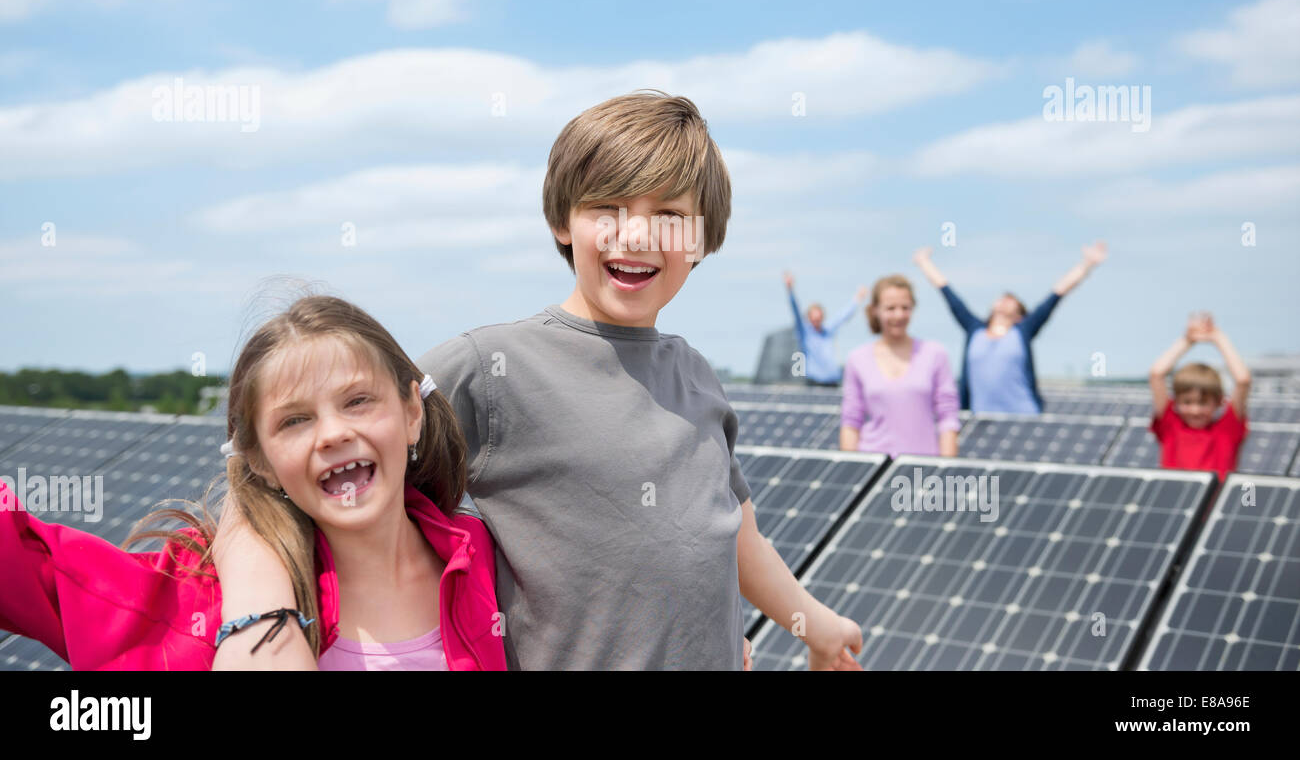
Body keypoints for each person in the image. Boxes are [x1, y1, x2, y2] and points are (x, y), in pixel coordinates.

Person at [212, 90, 862, 670]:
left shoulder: (697, 376)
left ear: (701, 238)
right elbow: (297, 455)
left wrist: (819, 625)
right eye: (606, 206)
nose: (635, 233)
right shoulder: (492, 366)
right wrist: (259, 618)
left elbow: (738, 538)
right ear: (562, 221)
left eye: (668, 214)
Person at [0, 295, 506, 670]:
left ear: (412, 412)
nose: (333, 434)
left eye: (357, 401)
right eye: (294, 421)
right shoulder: (195, 593)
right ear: (259, 461)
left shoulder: (495, 561)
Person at [912, 242, 1107, 414]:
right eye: (1002, 298)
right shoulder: (975, 329)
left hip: (1024, 415)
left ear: (1019, 314)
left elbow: (1057, 293)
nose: (1004, 301)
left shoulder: (1022, 331)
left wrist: (1087, 264)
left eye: (1011, 300)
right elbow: (948, 293)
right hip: (980, 418)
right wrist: (924, 262)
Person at [840, 275, 961, 457]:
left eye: (905, 308)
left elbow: (948, 417)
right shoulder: (857, 359)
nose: (899, 315)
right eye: (890, 308)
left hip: (923, 466)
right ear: (875, 310)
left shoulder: (935, 354)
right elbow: (851, 420)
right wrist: (850, 468)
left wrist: (945, 468)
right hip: (873, 464)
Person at [1148, 312, 1251, 482]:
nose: (1195, 410)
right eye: (1187, 402)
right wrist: (1188, 339)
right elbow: (1156, 374)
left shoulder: (1226, 431)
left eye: (1203, 403)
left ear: (1219, 402)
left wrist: (1218, 337)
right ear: (1176, 401)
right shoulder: (1171, 426)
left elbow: (1243, 380)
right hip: (1173, 504)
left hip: (1213, 506)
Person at [783, 272, 867, 386]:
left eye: (819, 318)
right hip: (814, 382)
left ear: (823, 317)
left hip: (832, 380)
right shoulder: (804, 332)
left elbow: (842, 316)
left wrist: (857, 299)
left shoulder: (828, 330)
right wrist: (790, 290)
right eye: (814, 319)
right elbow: (796, 310)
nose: (816, 321)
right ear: (809, 318)